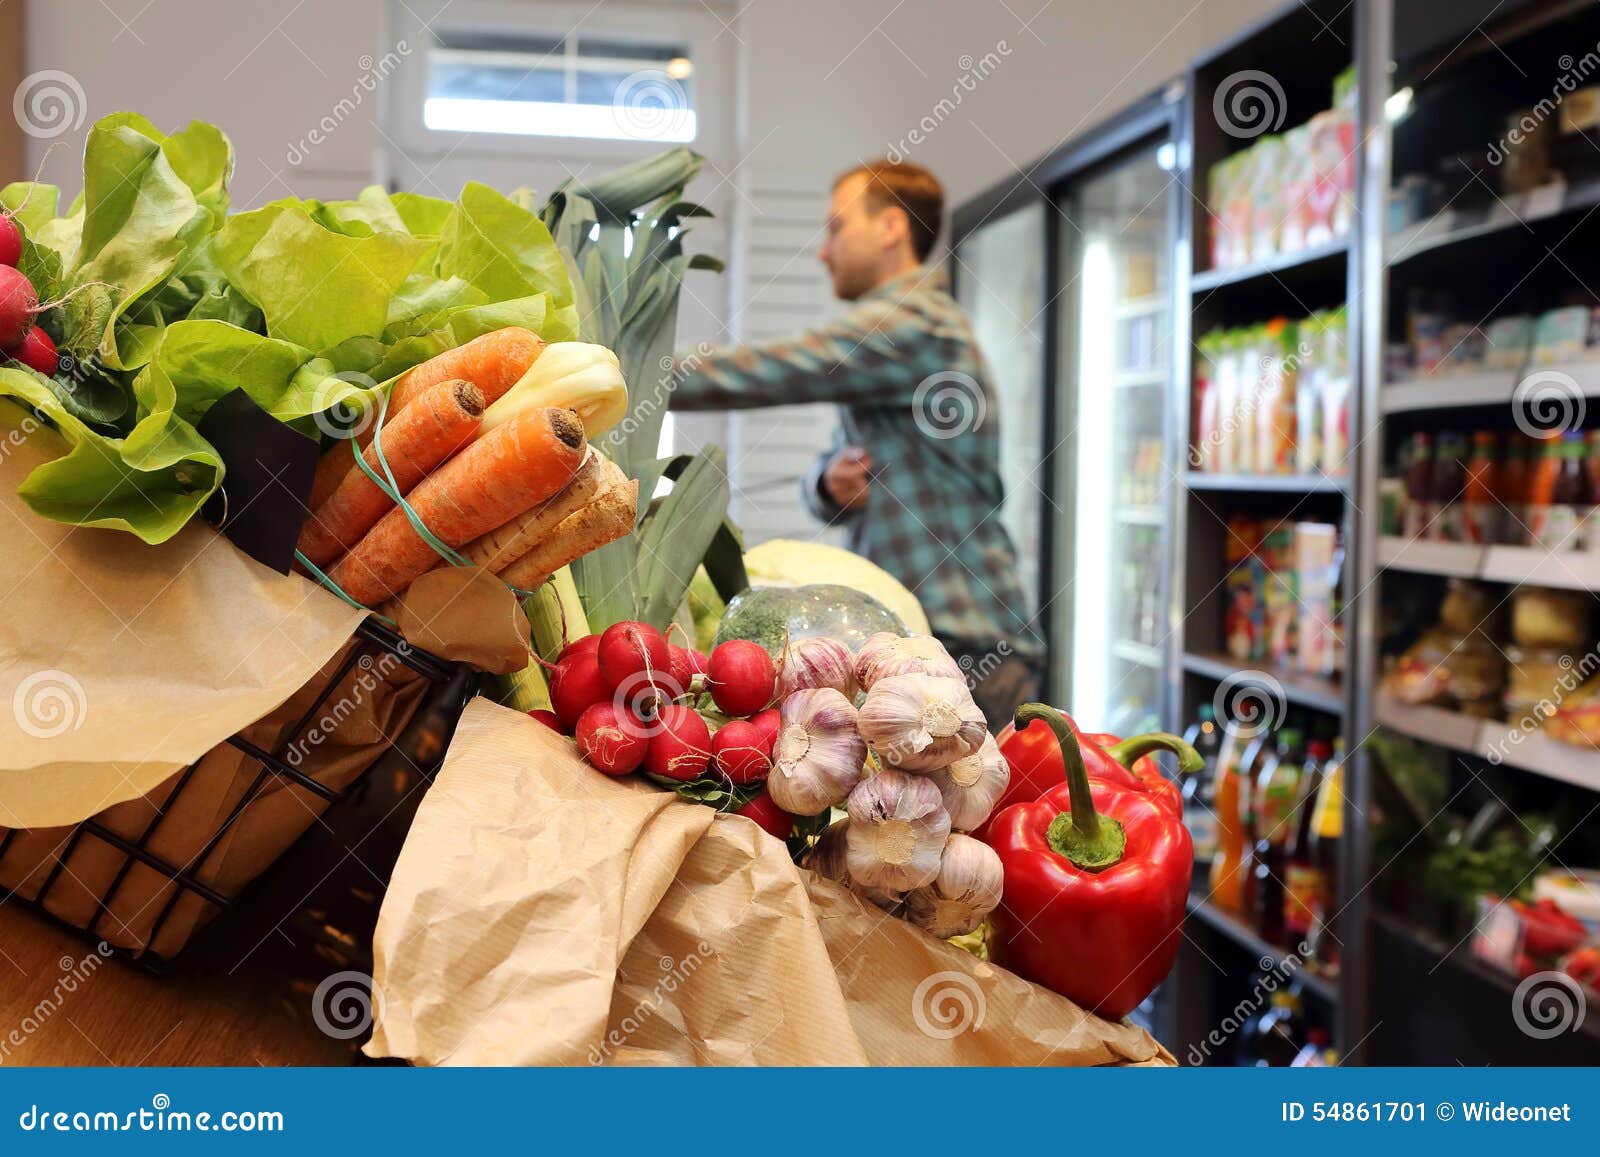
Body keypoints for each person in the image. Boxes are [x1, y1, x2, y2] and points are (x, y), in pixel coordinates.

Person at [667, 158, 1041, 726]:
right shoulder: (902, 334)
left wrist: (628, 371)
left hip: (965, 641)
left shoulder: (916, 322)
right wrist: (827, 483)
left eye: (836, 228)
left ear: (891, 227)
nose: (823, 251)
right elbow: (840, 464)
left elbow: (775, 369)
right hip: (928, 631)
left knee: (973, 806)